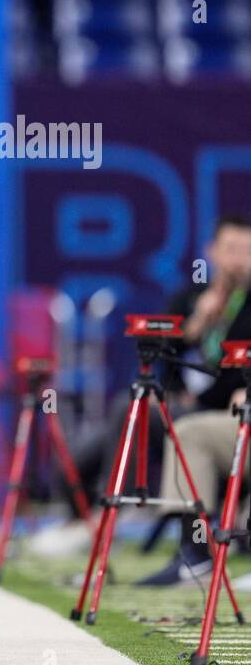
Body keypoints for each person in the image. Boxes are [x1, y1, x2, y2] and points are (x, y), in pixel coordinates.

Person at [137, 213, 251, 586]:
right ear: (212, 252)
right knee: (141, 410)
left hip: (229, 414)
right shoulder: (191, 295)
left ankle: (195, 554)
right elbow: (159, 351)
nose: (238, 260)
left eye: (247, 251)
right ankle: (98, 513)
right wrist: (199, 325)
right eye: (231, 249)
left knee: (192, 431)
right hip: (207, 411)